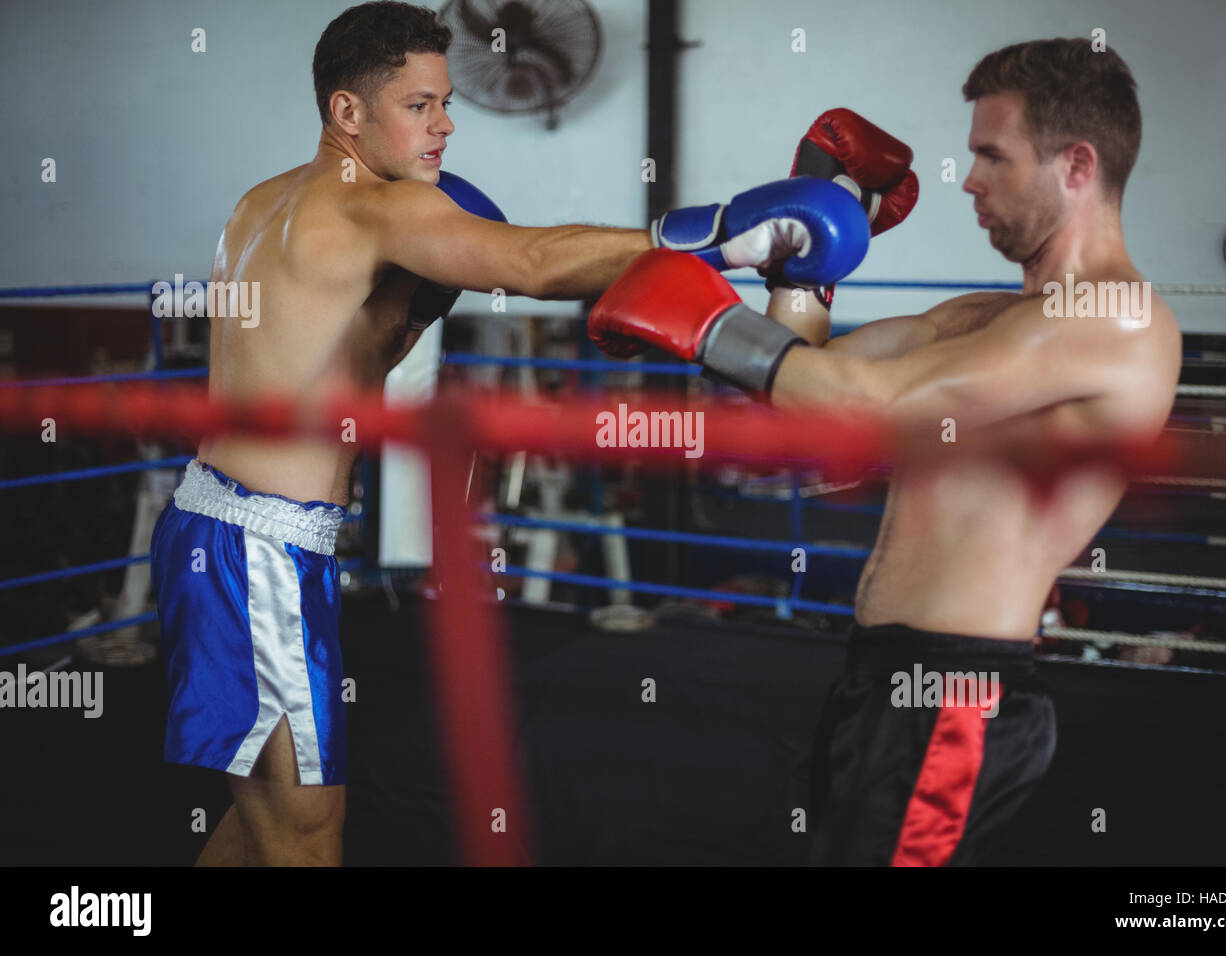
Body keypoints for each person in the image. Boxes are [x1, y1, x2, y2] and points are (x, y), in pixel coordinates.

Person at [150, 0, 868, 866]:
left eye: (446, 102)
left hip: (215, 525)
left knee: (262, 814)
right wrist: (725, 237)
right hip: (259, 551)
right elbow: (531, 261)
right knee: (306, 834)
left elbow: (328, 339)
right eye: (419, 105)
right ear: (347, 112)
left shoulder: (261, 203)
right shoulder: (379, 211)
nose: (446, 125)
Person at [589, 38, 1182, 865]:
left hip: (956, 691)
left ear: (1076, 164)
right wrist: (803, 264)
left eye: (991, 156)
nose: (968, 180)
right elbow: (813, 400)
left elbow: (881, 402)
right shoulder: (983, 319)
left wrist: (710, 323)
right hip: (882, 678)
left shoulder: (1117, 318)